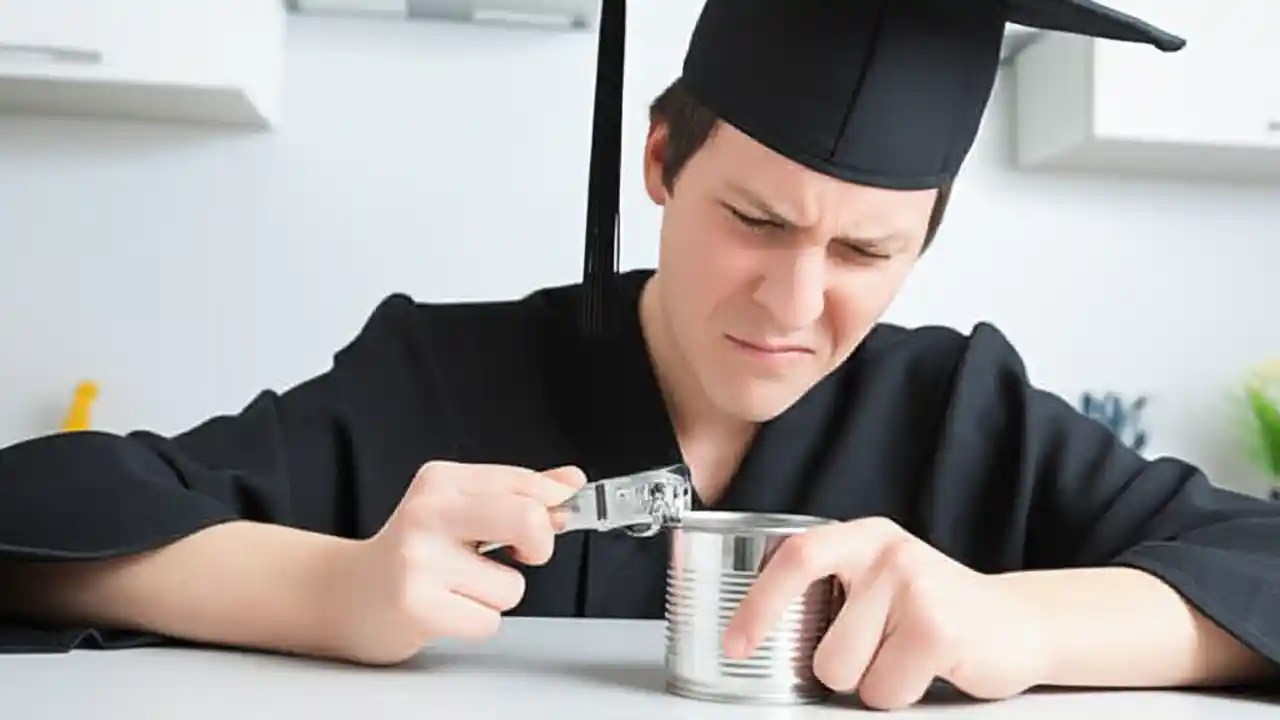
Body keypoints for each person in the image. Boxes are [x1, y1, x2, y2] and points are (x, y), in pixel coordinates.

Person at [1, 0, 1278, 711]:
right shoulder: (437, 379)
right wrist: (324, 591)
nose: (791, 302)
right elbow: (30, 517)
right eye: (754, 220)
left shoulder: (962, 411)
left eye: (864, 254)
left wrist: (1024, 619)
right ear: (660, 160)